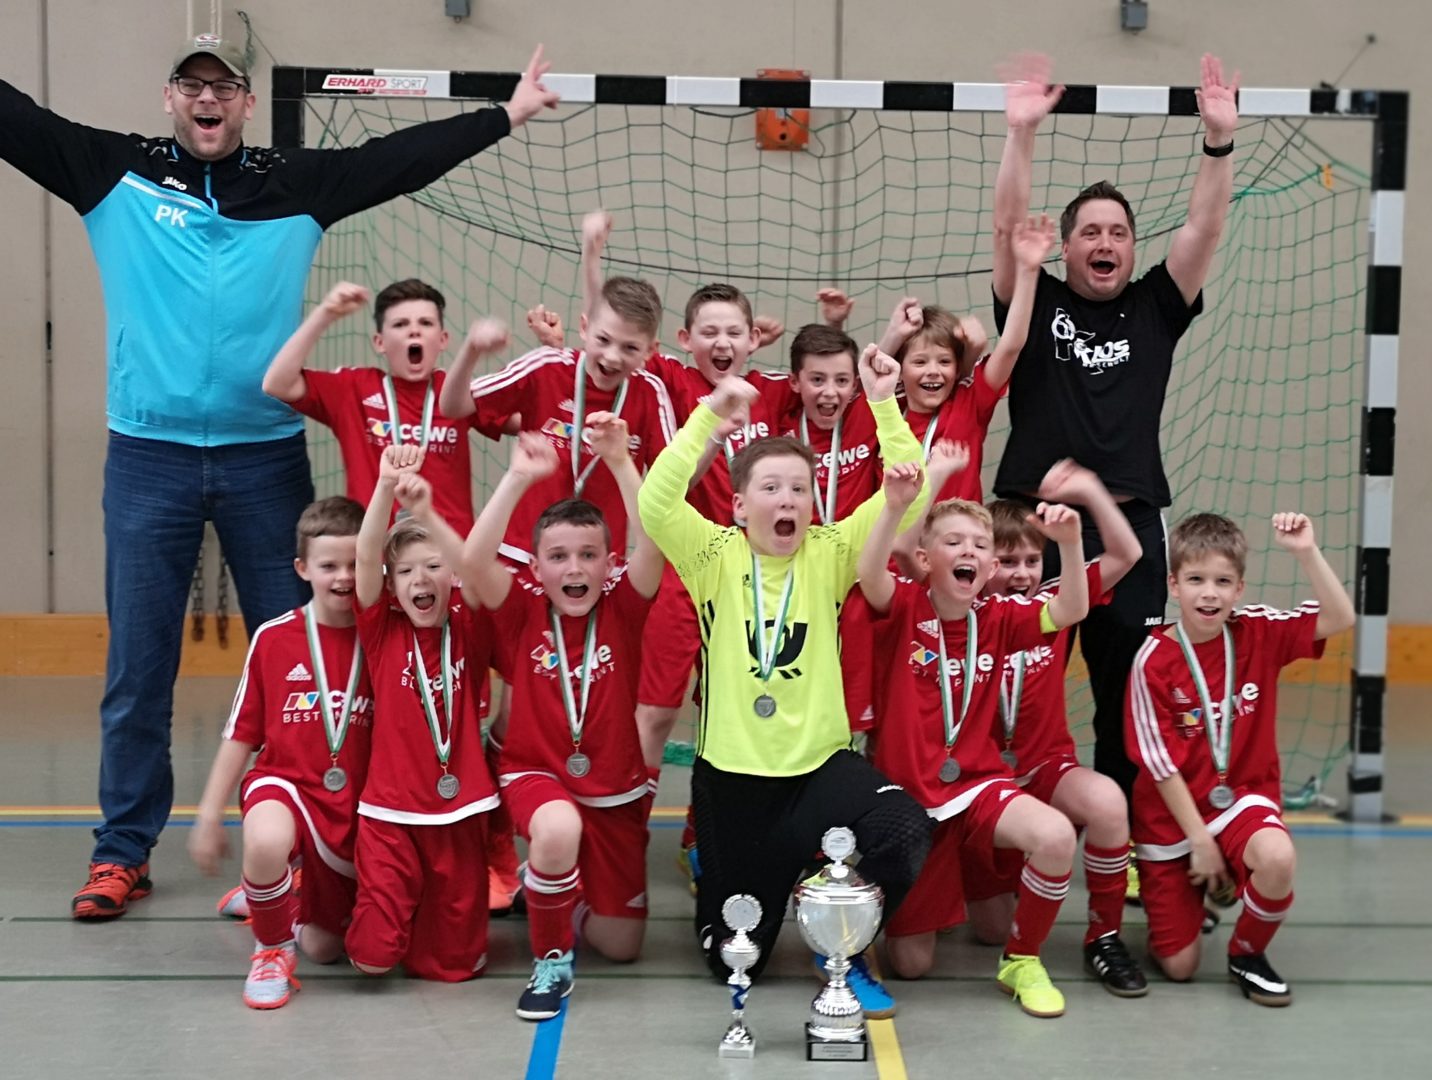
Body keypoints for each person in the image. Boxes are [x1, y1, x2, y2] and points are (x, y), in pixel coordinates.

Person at [0, 33, 558, 917]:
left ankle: (323, 838)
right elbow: (16, 120)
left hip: (265, 459)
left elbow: (397, 160)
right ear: (170, 97)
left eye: (224, 88)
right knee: (139, 665)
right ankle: (122, 851)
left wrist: (506, 115)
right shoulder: (110, 171)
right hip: (149, 454)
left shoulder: (294, 182)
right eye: (193, 86)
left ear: (247, 104)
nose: (208, 100)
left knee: (323, 653)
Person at [636, 349, 933, 1019]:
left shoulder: (829, 553)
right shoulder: (713, 554)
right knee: (732, 964)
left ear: (813, 502)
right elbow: (655, 503)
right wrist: (708, 415)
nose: (787, 500)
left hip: (819, 773)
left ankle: (846, 939)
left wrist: (885, 405)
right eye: (770, 488)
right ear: (740, 505)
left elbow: (912, 494)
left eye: (799, 488)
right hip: (734, 785)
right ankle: (736, 874)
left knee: (903, 829)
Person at [989, 53, 1239, 813]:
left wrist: (1219, 140)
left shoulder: (1157, 307)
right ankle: (996, 826)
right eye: (1090, 231)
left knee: (1124, 696)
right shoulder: (1035, 299)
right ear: (1065, 248)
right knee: (1013, 692)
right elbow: (1006, 226)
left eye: (1119, 232)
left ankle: (1120, 848)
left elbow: (1204, 223)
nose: (1106, 241)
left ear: (1133, 248)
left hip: (1128, 526)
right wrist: (1021, 134)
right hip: (1030, 525)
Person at [854, 482, 1090, 1018]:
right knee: (912, 963)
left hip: (975, 787)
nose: (969, 553)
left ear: (989, 568)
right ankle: (898, 897)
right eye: (954, 543)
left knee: (1054, 836)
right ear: (924, 559)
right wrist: (894, 507)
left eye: (980, 546)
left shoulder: (1002, 618)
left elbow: (1071, 608)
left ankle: (1022, 960)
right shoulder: (905, 607)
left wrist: (1071, 543)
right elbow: (870, 574)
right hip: (909, 803)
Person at [463, 416, 662, 1020]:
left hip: (615, 787)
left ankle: (555, 891)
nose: (573, 569)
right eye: (557, 557)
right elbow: (473, 562)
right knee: (554, 831)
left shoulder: (625, 605)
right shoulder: (522, 606)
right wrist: (519, 478)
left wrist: (621, 462)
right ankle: (550, 962)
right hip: (536, 771)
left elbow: (651, 541)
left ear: (608, 563)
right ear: (537, 566)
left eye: (587, 556)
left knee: (621, 946)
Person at [1125, 511, 1354, 1006]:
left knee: (1277, 857)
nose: (1210, 593)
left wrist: (1305, 552)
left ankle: (1247, 952)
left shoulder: (1257, 633)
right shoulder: (1152, 658)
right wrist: (1200, 842)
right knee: (1179, 967)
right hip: (1171, 820)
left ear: (1240, 588)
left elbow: (1341, 619)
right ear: (1174, 584)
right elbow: (1159, 765)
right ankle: (1189, 896)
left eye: (1223, 581)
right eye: (1196, 580)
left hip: (1241, 800)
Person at [960, 464, 1148, 998]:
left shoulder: (1054, 604)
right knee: (990, 931)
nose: (1020, 573)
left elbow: (1127, 555)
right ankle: (985, 875)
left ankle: (1104, 937)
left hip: (1045, 769)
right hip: (979, 782)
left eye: (1030, 561)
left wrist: (1090, 490)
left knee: (1109, 801)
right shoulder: (957, 612)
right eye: (1007, 562)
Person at [187, 497, 372, 1008]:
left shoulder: (382, 637)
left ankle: (272, 893)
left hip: (354, 805)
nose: (343, 577)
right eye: (329, 565)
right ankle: (271, 948)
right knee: (266, 838)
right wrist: (208, 815)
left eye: (356, 564)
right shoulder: (274, 638)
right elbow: (240, 734)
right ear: (302, 568)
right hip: (286, 784)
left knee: (328, 948)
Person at [439, 210, 675, 566]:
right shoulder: (547, 367)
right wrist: (471, 350)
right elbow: (453, 407)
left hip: (598, 568)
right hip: (521, 556)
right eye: (604, 340)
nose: (612, 357)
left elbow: (670, 483)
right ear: (584, 329)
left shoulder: (651, 393)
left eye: (629, 348)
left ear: (650, 351)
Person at [343, 446, 499, 981]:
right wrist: (386, 486)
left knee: (456, 967)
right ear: (391, 586)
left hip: (461, 811)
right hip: (390, 814)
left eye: (433, 567)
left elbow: (477, 568)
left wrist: (432, 516)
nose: (420, 579)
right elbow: (367, 557)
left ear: (451, 575)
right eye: (406, 571)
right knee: (371, 958)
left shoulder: (471, 626)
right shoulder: (382, 629)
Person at [263, 279, 512, 535]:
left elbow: (523, 420)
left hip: (448, 553)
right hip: (373, 553)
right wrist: (326, 313)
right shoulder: (354, 388)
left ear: (443, 339)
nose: (414, 331)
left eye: (425, 323)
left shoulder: (456, 391)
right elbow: (277, 383)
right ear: (379, 342)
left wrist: (550, 351)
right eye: (400, 324)